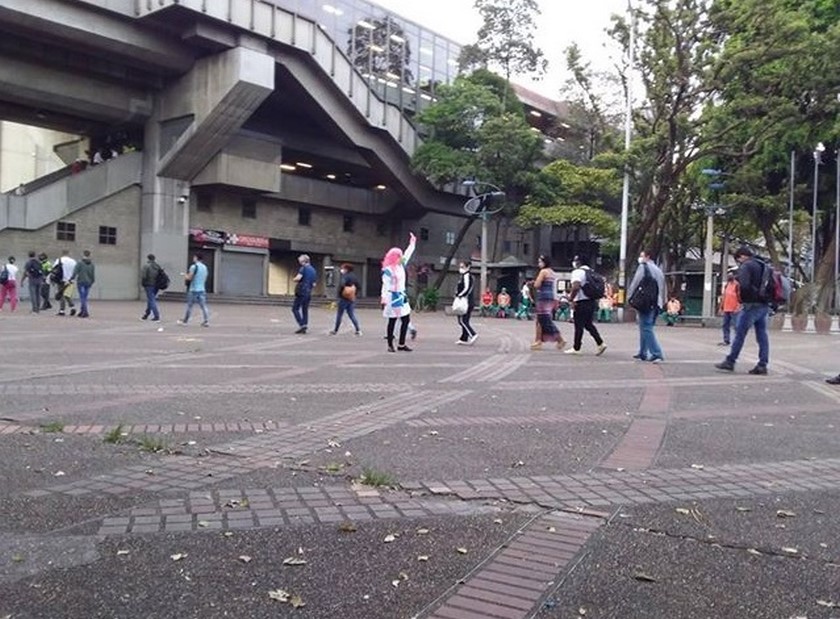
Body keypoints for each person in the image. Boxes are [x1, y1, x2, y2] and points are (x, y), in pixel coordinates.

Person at [715, 246, 770, 375]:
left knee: (740, 333)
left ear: (742, 256)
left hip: (751, 305)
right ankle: (763, 364)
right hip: (763, 304)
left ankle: (730, 361)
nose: (739, 262)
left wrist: (743, 299)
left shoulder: (746, 266)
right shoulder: (763, 265)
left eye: (738, 260)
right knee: (762, 335)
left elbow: (744, 285)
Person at [628, 250, 666, 362]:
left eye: (642, 255)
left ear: (647, 257)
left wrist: (630, 297)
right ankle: (642, 352)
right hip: (656, 302)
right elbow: (663, 287)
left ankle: (656, 353)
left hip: (645, 302)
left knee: (646, 327)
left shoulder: (643, 267)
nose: (640, 258)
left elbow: (636, 282)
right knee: (645, 326)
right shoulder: (659, 270)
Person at [381, 232, 416, 352]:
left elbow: (408, 254)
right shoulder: (388, 270)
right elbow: (385, 285)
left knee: (405, 319)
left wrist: (412, 243)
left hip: (402, 294)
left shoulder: (401, 265)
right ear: (394, 257)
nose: (401, 257)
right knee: (393, 320)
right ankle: (390, 344)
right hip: (393, 296)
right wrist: (384, 298)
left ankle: (401, 344)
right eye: (399, 256)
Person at [565, 256, 607, 356]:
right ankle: (600, 343)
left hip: (581, 302)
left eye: (575, 261)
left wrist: (571, 298)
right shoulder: (591, 272)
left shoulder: (578, 272)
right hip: (591, 301)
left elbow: (576, 286)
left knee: (578, 325)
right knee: (588, 324)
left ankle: (576, 347)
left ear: (578, 262)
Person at [531, 255, 565, 351]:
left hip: (543, 297)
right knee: (540, 319)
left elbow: (537, 285)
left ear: (544, 262)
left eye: (540, 262)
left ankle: (559, 339)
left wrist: (534, 283)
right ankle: (538, 340)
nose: (538, 264)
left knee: (544, 319)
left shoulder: (543, 271)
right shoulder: (552, 272)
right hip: (550, 297)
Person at [330, 263, 361, 336]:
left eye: (343, 268)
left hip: (343, 298)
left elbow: (341, 285)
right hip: (351, 298)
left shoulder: (345, 276)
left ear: (346, 269)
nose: (342, 270)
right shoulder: (354, 277)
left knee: (339, 314)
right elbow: (359, 286)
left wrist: (340, 294)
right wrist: (354, 293)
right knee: (351, 314)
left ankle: (335, 330)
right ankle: (358, 330)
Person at [178, 254, 209, 327]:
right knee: (203, 306)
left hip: (193, 289)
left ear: (196, 258)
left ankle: (185, 321)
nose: (193, 258)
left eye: (194, 257)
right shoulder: (205, 267)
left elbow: (189, 278)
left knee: (190, 306)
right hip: (202, 289)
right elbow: (205, 278)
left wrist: (184, 275)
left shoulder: (193, 267)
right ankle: (206, 321)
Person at [291, 254, 316, 334]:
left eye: (300, 261)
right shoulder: (313, 270)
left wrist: (294, 279)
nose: (299, 262)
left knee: (295, 308)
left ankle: (302, 325)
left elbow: (298, 278)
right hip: (308, 292)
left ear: (303, 261)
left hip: (301, 291)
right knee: (305, 310)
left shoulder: (303, 268)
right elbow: (314, 284)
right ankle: (305, 324)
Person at [454, 260, 477, 345]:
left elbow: (467, 288)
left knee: (463, 320)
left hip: (466, 302)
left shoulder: (467, 276)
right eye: (460, 267)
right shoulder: (463, 276)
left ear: (468, 267)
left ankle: (473, 334)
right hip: (464, 301)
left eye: (462, 267)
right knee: (462, 320)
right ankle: (464, 338)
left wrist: (460, 295)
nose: (461, 269)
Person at [719, 272, 741, 346]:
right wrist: (721, 307)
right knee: (725, 325)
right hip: (726, 308)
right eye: (728, 275)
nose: (729, 276)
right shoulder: (727, 285)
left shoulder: (737, 285)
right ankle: (726, 340)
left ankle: (737, 341)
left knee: (736, 326)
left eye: (731, 275)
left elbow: (739, 297)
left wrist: (738, 307)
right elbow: (724, 296)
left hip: (734, 309)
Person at [53, 250, 77, 316]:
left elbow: (54, 269)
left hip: (61, 280)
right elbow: (76, 271)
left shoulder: (59, 260)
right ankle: (72, 307)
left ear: (62, 253)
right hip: (70, 280)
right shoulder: (73, 261)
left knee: (61, 295)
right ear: (68, 253)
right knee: (68, 295)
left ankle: (62, 310)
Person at [72, 250, 95, 318]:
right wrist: (92, 281)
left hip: (81, 282)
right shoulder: (92, 264)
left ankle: (85, 312)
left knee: (82, 298)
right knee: (85, 297)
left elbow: (75, 271)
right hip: (88, 282)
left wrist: (72, 278)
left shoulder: (80, 263)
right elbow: (92, 274)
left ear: (83, 254)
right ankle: (82, 311)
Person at [140, 254, 162, 321]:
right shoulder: (157, 266)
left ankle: (156, 315)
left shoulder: (146, 266)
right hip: (156, 285)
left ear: (148, 258)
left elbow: (144, 276)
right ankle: (146, 314)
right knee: (151, 299)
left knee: (152, 300)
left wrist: (143, 283)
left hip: (149, 285)